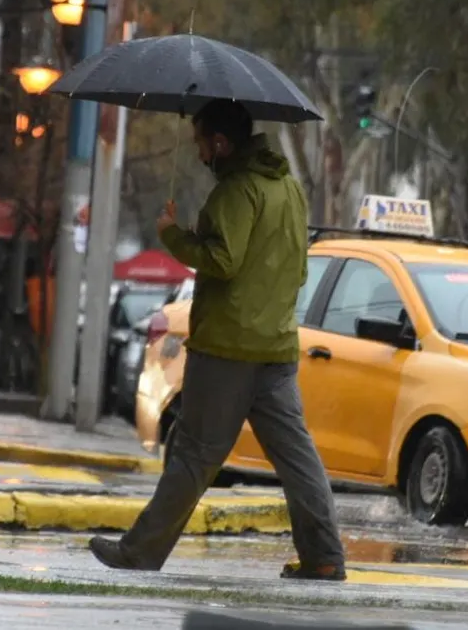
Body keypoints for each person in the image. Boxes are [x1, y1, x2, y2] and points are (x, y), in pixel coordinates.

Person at [88, 99, 347, 581]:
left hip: (226, 349)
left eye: (201, 143)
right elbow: (298, 268)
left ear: (222, 143)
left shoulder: (235, 191)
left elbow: (223, 261)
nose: (199, 152)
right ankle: (325, 557)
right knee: (297, 458)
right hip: (277, 348)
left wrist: (173, 235)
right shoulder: (289, 189)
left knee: (192, 455)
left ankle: (140, 552)